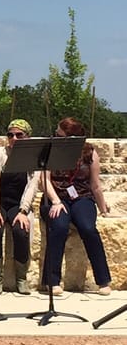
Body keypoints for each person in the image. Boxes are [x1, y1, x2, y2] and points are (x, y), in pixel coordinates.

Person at [41, 116, 112, 296]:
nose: (56, 136)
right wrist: (55, 201)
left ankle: (103, 280)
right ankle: (52, 281)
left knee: (88, 228)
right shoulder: (51, 150)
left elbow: (95, 185)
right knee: (59, 227)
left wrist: (103, 208)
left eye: (59, 133)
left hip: (82, 197)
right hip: (57, 197)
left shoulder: (90, 154)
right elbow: (45, 181)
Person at [0, 119, 40, 294]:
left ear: (27, 137)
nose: (14, 138)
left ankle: (21, 278)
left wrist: (24, 211)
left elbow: (32, 185)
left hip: (19, 204)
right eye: (10, 135)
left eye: (19, 135)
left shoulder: (33, 156)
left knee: (20, 230)